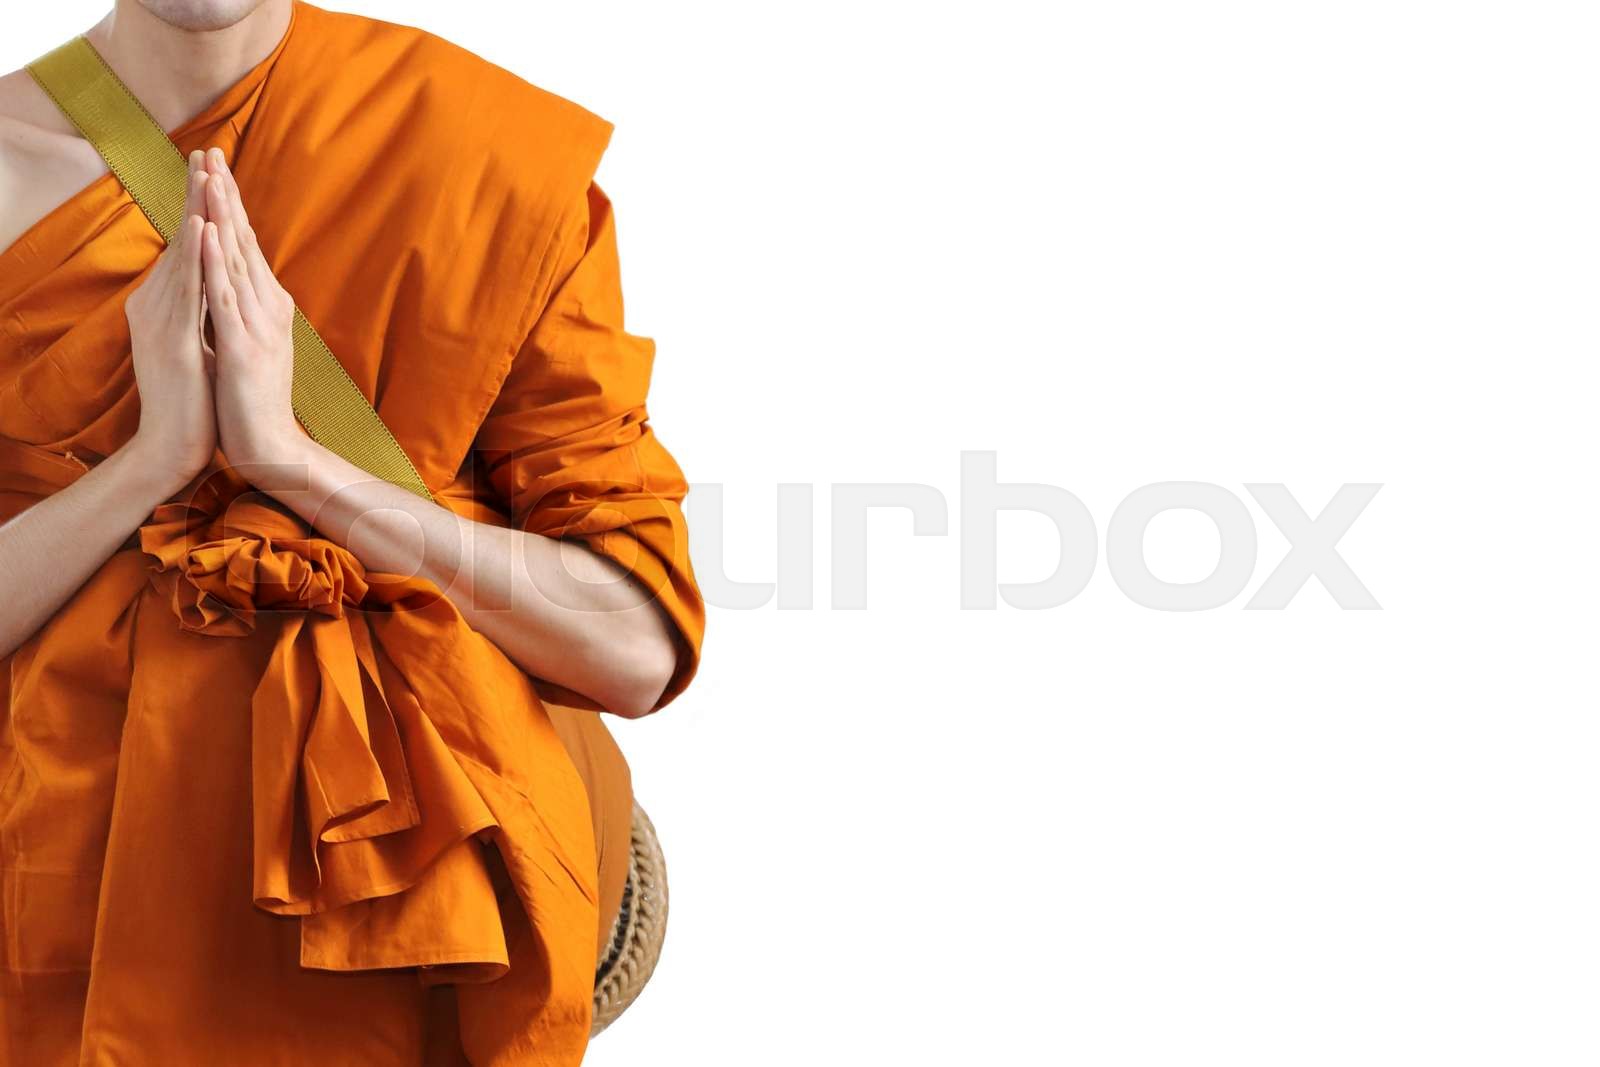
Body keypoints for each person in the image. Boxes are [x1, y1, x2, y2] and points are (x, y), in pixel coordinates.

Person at [0, 0, 705, 1062]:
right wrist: (154, 462)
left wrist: (294, 462)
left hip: (406, 932)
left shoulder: (479, 152)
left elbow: (634, 647)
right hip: (51, 908)